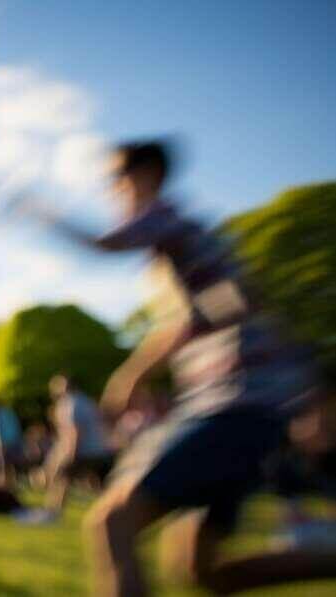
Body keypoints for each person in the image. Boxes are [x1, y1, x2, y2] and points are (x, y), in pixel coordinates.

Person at [31, 140, 332, 595]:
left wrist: (35, 211)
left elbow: (105, 244)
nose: (112, 190)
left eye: (115, 178)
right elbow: (220, 310)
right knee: (200, 572)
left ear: (146, 175)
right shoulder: (190, 246)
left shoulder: (169, 219)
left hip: (235, 405)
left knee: (112, 521)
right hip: (244, 408)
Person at [19, 374, 114, 524]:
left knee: (61, 477)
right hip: (99, 450)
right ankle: (111, 512)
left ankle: (52, 513)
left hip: (84, 451)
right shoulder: (86, 401)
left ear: (65, 386)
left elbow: (75, 432)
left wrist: (68, 457)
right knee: (96, 483)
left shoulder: (71, 404)